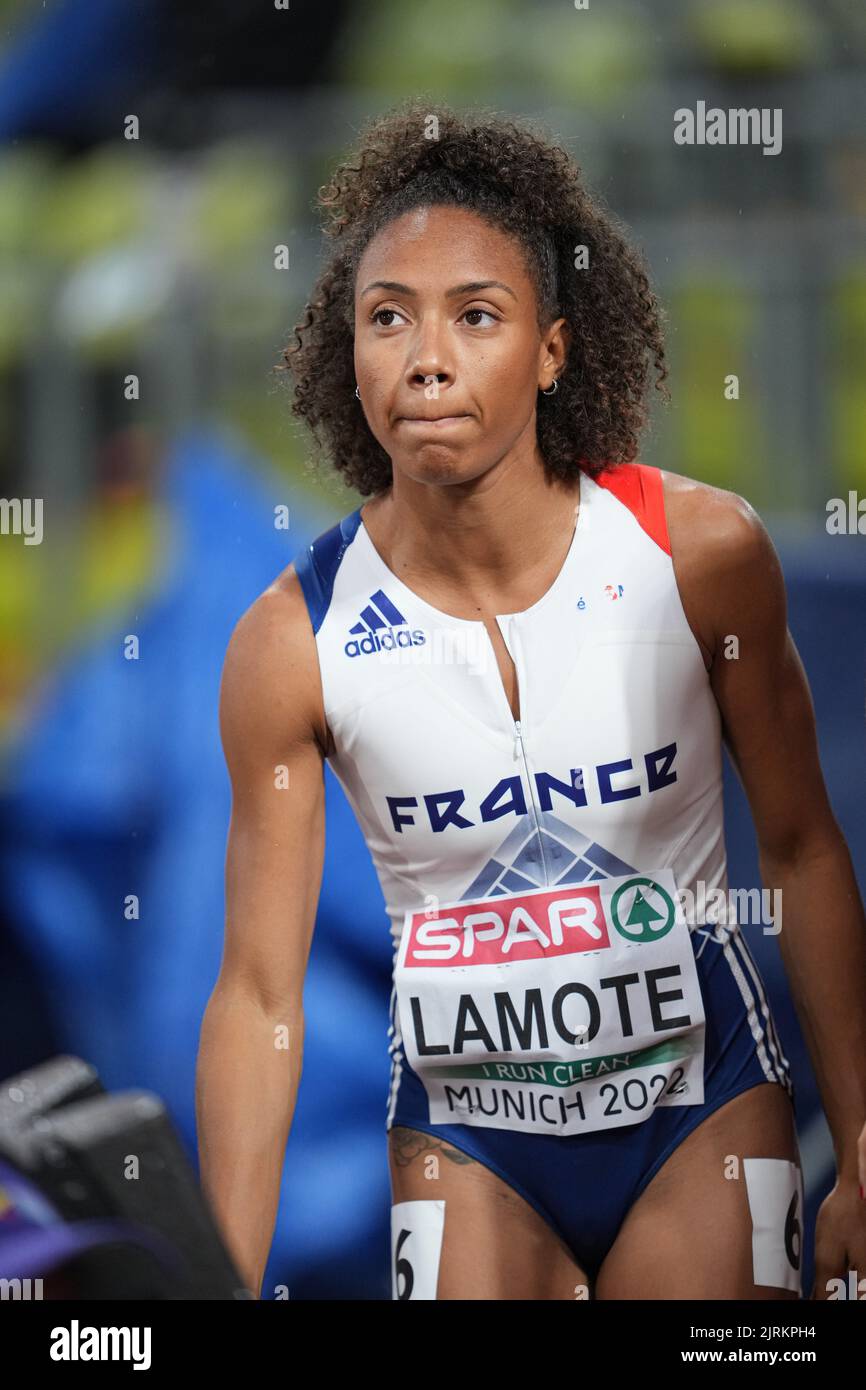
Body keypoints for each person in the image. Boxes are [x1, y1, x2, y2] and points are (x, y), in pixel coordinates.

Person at [196, 100, 866, 1301]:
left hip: (696, 1111)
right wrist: (222, 1285)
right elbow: (257, 993)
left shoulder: (696, 555)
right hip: (469, 1143)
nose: (426, 357)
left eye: (475, 316)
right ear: (344, 355)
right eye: (386, 318)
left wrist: (859, 1154)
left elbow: (806, 845)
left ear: (551, 350)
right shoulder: (291, 644)